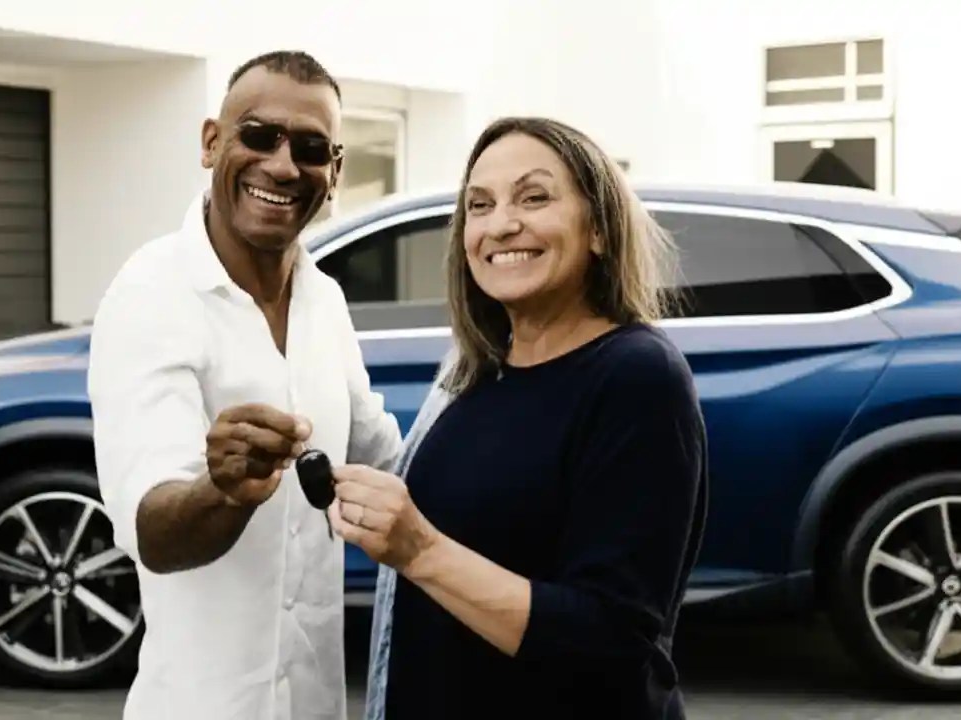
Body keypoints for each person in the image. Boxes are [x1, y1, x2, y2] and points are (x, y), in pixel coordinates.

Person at [333, 117, 710, 719]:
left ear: (599, 231)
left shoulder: (637, 376)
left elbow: (611, 642)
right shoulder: (472, 373)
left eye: (534, 198)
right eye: (479, 206)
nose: (501, 223)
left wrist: (419, 549)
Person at [87, 50, 404, 720]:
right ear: (212, 143)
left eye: (312, 148)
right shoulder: (150, 294)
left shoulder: (325, 300)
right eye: (259, 136)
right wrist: (222, 492)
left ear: (336, 172)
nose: (284, 165)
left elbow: (381, 456)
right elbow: (154, 532)